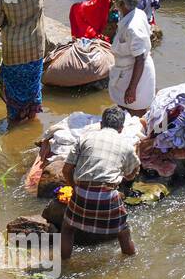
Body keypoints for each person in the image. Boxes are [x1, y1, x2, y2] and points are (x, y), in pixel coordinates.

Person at [60, 106, 140, 260]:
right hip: (108, 196)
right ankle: (131, 263)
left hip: (82, 192)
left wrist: (74, 188)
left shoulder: (84, 138)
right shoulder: (127, 145)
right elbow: (130, 175)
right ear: (121, 128)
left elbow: (66, 170)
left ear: (101, 124)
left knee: (67, 227)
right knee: (123, 232)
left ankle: (64, 263)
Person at [107, 0, 155, 115]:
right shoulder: (135, 13)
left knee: (135, 113)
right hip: (127, 72)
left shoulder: (133, 27)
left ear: (122, 3)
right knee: (124, 111)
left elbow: (139, 59)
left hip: (136, 75)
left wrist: (132, 88)